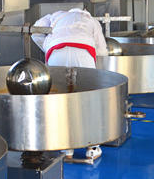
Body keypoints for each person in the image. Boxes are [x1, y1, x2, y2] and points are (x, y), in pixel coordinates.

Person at [32, 8, 108, 162]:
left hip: (56, 54)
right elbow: (102, 51)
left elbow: (35, 31)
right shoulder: (91, 20)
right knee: (88, 101)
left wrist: (49, 45)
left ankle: (66, 147)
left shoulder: (55, 15)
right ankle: (92, 148)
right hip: (83, 55)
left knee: (60, 101)